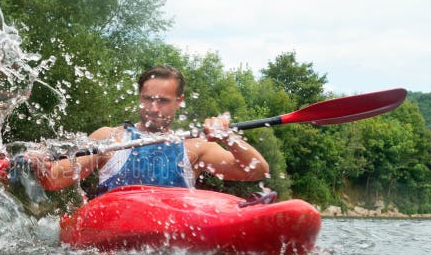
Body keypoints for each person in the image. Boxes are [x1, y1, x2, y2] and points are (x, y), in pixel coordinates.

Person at [29, 65, 269, 193]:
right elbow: (54, 181)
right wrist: (39, 166)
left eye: (163, 101)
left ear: (179, 100)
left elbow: (256, 171)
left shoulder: (196, 147)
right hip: (113, 254)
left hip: (171, 253)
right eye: (147, 99)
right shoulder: (109, 138)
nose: (153, 108)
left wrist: (228, 138)